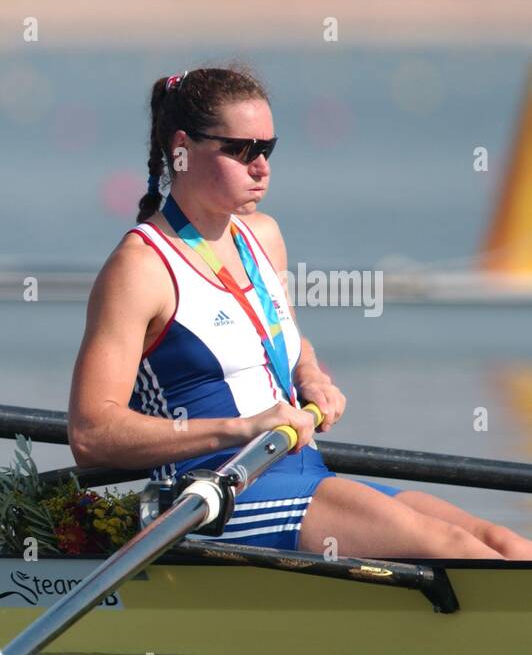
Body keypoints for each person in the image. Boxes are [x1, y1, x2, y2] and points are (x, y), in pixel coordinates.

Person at [68, 66, 532, 559]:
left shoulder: (263, 237)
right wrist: (241, 428)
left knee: (504, 543)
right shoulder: (140, 267)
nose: (261, 167)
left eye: (268, 149)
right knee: (456, 549)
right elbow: (92, 433)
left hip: (303, 472)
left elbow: (281, 337)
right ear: (182, 148)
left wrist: (310, 375)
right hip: (215, 495)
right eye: (242, 150)